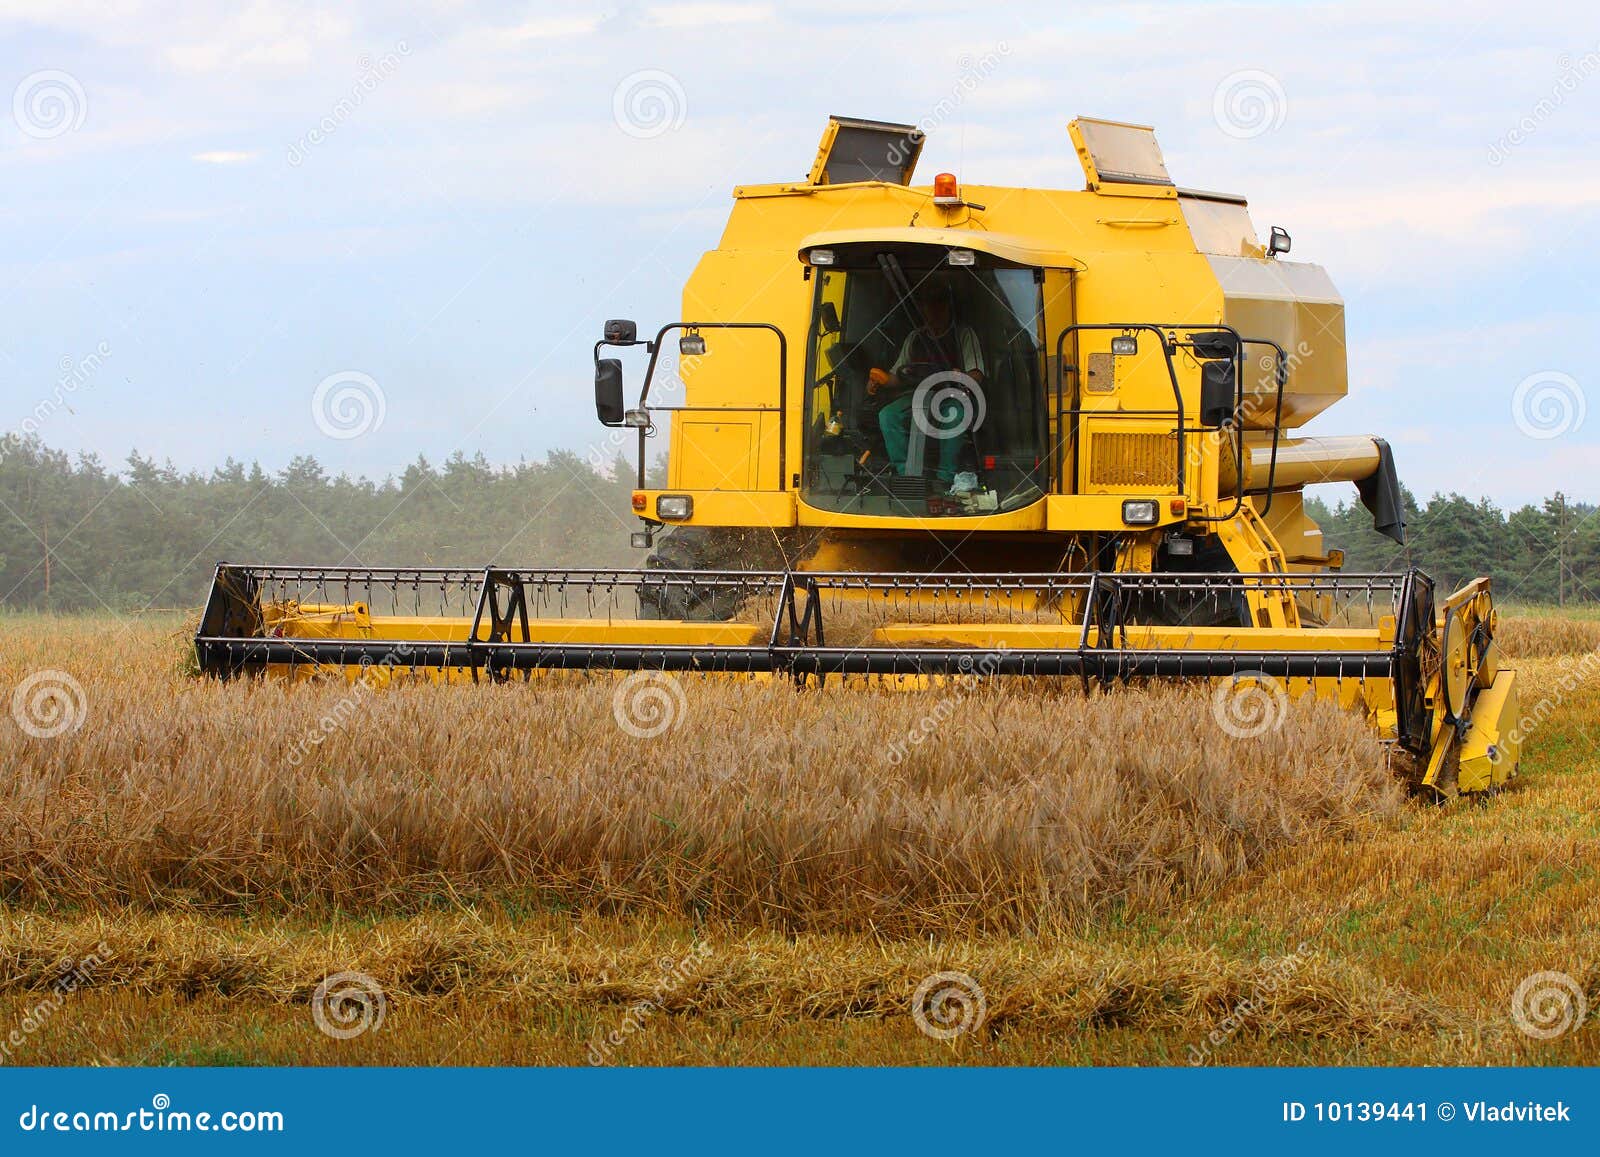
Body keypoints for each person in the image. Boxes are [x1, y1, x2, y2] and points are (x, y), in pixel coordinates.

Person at [868, 280, 985, 486]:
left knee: (956, 414)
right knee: (888, 415)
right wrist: (880, 381)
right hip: (915, 396)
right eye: (928, 304)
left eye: (939, 303)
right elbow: (897, 376)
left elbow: (977, 374)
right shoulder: (914, 338)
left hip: (950, 396)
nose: (933, 309)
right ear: (922, 308)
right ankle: (906, 476)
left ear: (948, 306)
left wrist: (961, 376)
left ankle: (945, 479)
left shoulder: (963, 334)